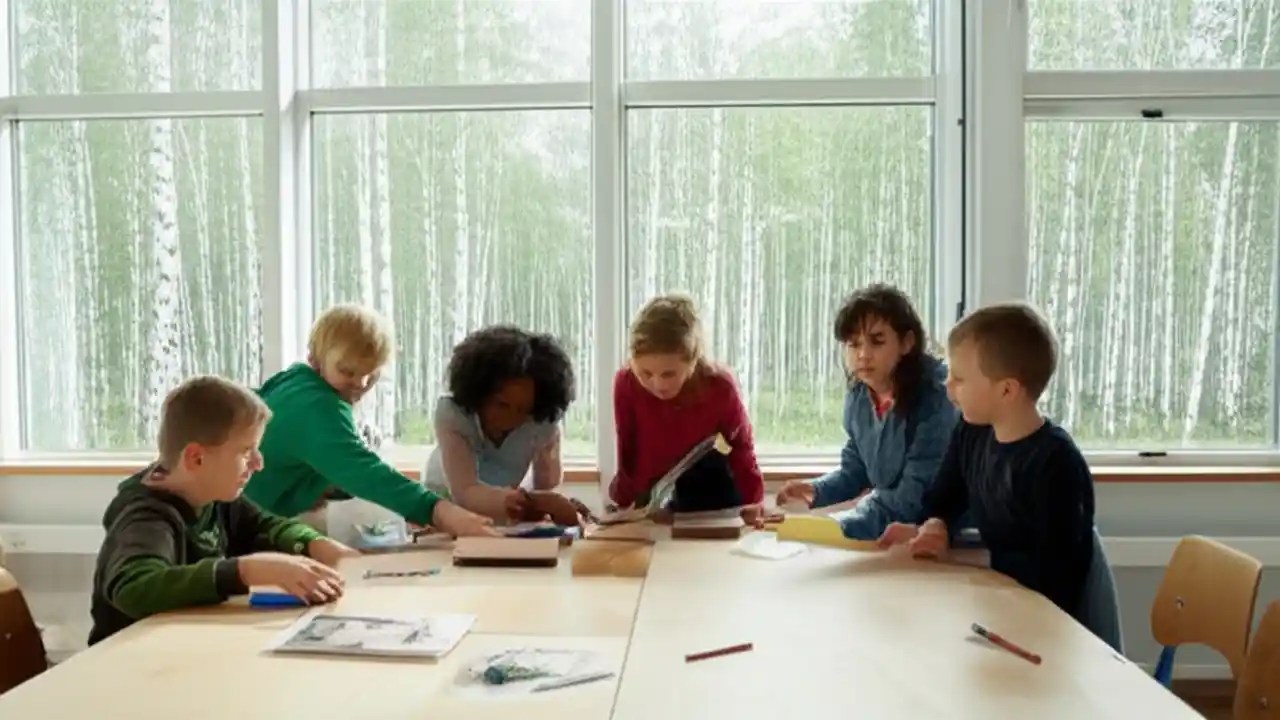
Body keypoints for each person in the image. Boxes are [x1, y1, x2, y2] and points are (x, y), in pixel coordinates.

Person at [877, 302, 1123, 652]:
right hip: (1005, 610)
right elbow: (943, 497)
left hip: (1054, 633)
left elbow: (1050, 575)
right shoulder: (972, 431)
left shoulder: (1056, 464)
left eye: (959, 379)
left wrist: (957, 557)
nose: (948, 388)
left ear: (1007, 390)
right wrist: (935, 526)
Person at [89, 376, 358, 645]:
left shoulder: (213, 495)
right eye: (246, 452)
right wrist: (245, 571)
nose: (258, 464)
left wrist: (314, 544)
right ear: (196, 458)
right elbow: (133, 587)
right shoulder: (146, 516)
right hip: (129, 663)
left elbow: (265, 526)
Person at [243, 304, 494, 537]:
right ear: (315, 359)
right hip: (247, 525)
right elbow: (367, 473)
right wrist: (439, 512)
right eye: (348, 371)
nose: (361, 384)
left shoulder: (295, 381)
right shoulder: (318, 406)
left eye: (371, 373)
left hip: (249, 512)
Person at [774, 284, 958, 540]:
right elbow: (856, 470)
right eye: (853, 344)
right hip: (898, 539)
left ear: (907, 342)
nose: (862, 355)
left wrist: (838, 527)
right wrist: (816, 490)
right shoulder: (860, 395)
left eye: (877, 341)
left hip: (948, 541)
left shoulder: (937, 397)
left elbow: (915, 497)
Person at [609, 294, 765, 516]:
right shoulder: (626, 384)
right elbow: (628, 450)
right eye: (646, 373)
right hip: (653, 495)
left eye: (669, 374)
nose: (657, 384)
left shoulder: (719, 387)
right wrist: (624, 505)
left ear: (692, 361)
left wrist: (753, 503)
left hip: (710, 494)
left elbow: (741, 448)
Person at [422, 325, 584, 524]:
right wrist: (521, 501)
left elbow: (547, 486)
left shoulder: (541, 423)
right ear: (479, 394)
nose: (511, 418)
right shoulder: (454, 416)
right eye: (501, 405)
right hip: (441, 510)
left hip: (501, 517)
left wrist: (553, 504)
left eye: (524, 409)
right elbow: (465, 491)